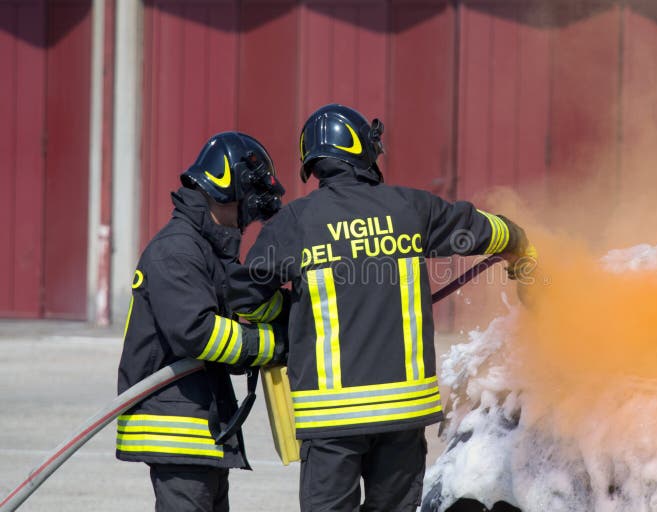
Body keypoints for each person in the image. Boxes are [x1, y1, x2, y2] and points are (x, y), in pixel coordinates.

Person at [227, 104, 538, 511]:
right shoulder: (410, 208)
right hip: (402, 418)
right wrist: (519, 245)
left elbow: (245, 297)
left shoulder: (295, 222)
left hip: (330, 422)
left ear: (314, 163)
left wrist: (287, 313)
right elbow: (483, 229)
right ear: (364, 151)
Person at [116, 131, 289, 512]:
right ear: (229, 192)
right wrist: (274, 344)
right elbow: (199, 334)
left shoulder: (207, 250)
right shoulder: (176, 250)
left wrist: (293, 311)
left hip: (200, 424)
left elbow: (241, 299)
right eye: (248, 206)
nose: (248, 220)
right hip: (176, 427)